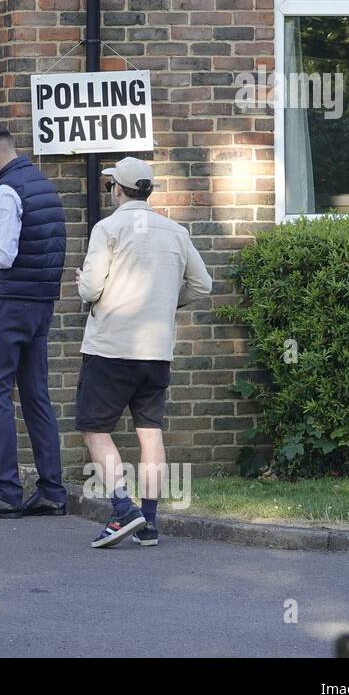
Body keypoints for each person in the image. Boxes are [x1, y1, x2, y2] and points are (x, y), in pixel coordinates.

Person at [75, 157, 213, 548]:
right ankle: (149, 523)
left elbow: (89, 291)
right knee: (150, 432)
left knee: (95, 429)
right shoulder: (175, 231)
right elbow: (202, 285)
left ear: (117, 189)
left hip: (110, 349)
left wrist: (82, 282)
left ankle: (123, 511)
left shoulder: (108, 228)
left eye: (110, 186)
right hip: (156, 351)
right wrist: (166, 301)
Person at [0, 124, 69, 519]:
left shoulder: (6, 191)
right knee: (36, 394)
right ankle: (52, 489)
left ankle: (6, 490)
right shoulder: (42, 184)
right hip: (40, 304)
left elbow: (3, 256)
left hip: (9, 307)